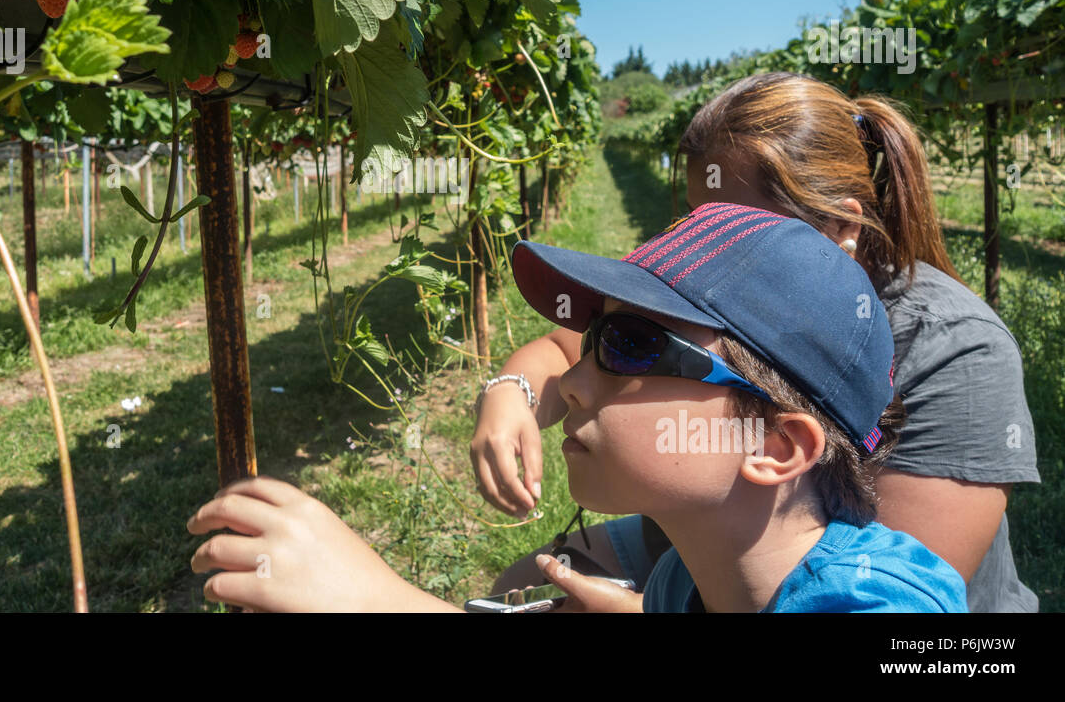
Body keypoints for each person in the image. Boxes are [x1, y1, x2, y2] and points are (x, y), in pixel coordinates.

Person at [187, 203, 967, 612]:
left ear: (779, 447)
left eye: (628, 345)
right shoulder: (684, 585)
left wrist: (388, 603)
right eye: (590, 336)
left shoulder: (878, 598)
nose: (577, 380)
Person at [473, 72, 1039, 611]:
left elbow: (889, 577)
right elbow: (567, 348)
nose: (709, 240)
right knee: (515, 587)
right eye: (699, 215)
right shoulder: (713, 286)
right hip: (700, 551)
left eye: (741, 222)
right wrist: (511, 390)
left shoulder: (956, 350)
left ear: (844, 227)